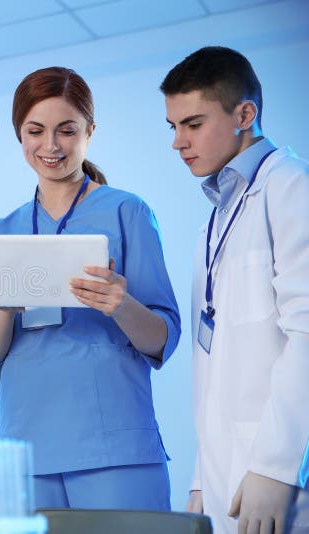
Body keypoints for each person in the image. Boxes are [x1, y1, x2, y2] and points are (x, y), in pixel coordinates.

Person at [0, 67, 181, 510]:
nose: (51, 146)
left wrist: (120, 304)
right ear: (20, 135)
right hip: (26, 450)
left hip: (114, 448)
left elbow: (162, 339)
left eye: (67, 130)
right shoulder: (1, 231)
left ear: (90, 131)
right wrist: (5, 310)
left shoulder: (127, 212)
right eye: (36, 131)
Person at [162, 46, 309, 534]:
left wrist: (277, 464)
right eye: (174, 127)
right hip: (227, 475)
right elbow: (213, 355)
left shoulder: (291, 187)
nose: (179, 142)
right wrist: (203, 477)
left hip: (279, 472)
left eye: (194, 123)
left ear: (245, 114)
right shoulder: (219, 213)